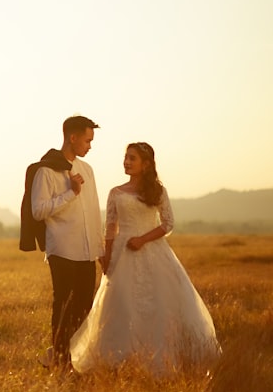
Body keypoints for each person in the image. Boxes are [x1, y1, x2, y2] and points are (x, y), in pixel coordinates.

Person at [70, 142, 220, 375]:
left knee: (162, 304)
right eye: (126, 157)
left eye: (133, 159)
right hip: (122, 253)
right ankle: (118, 360)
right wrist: (107, 259)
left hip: (153, 250)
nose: (127, 162)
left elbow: (168, 224)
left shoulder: (157, 191)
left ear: (146, 164)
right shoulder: (116, 192)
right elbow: (110, 228)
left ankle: (166, 356)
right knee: (121, 304)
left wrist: (142, 239)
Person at [22, 115, 103, 370]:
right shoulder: (45, 171)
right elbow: (38, 211)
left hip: (86, 251)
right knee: (64, 306)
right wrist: (71, 193)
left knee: (84, 308)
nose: (90, 145)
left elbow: (92, 211)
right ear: (72, 137)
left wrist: (100, 250)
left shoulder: (87, 170)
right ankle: (61, 361)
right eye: (87, 140)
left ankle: (66, 356)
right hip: (62, 249)